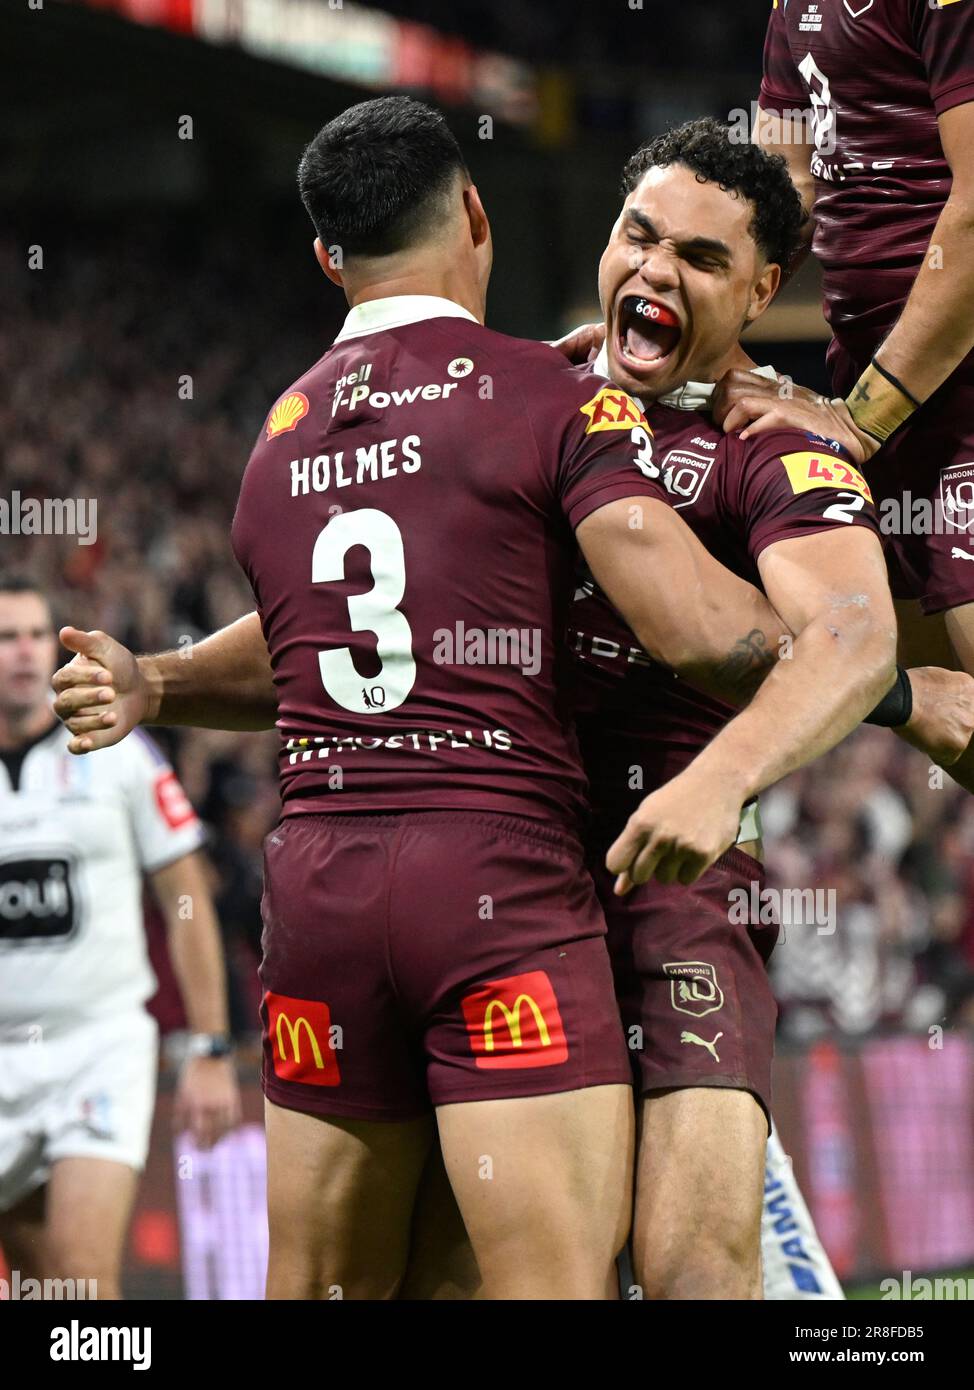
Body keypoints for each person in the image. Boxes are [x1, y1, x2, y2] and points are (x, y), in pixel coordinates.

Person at [50, 95, 903, 1301]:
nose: (655, 270)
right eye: (638, 235)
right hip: (511, 869)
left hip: (667, 880)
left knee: (685, 1266)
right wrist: (164, 678)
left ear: (761, 291)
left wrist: (836, 708)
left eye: (700, 258)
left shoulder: (776, 447)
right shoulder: (542, 388)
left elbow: (838, 634)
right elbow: (344, 625)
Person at [716, 0, 974, 792]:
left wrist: (859, 421)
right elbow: (778, 193)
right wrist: (663, 315)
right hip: (884, 401)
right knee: (956, 726)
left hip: (949, 402)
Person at [0, 573, 240, 1299]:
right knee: (41, 1289)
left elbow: (186, 895)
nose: (25, 653)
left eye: (38, 635)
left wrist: (209, 1047)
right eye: (7, 637)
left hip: (97, 1050)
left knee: (80, 1282)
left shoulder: (115, 750)